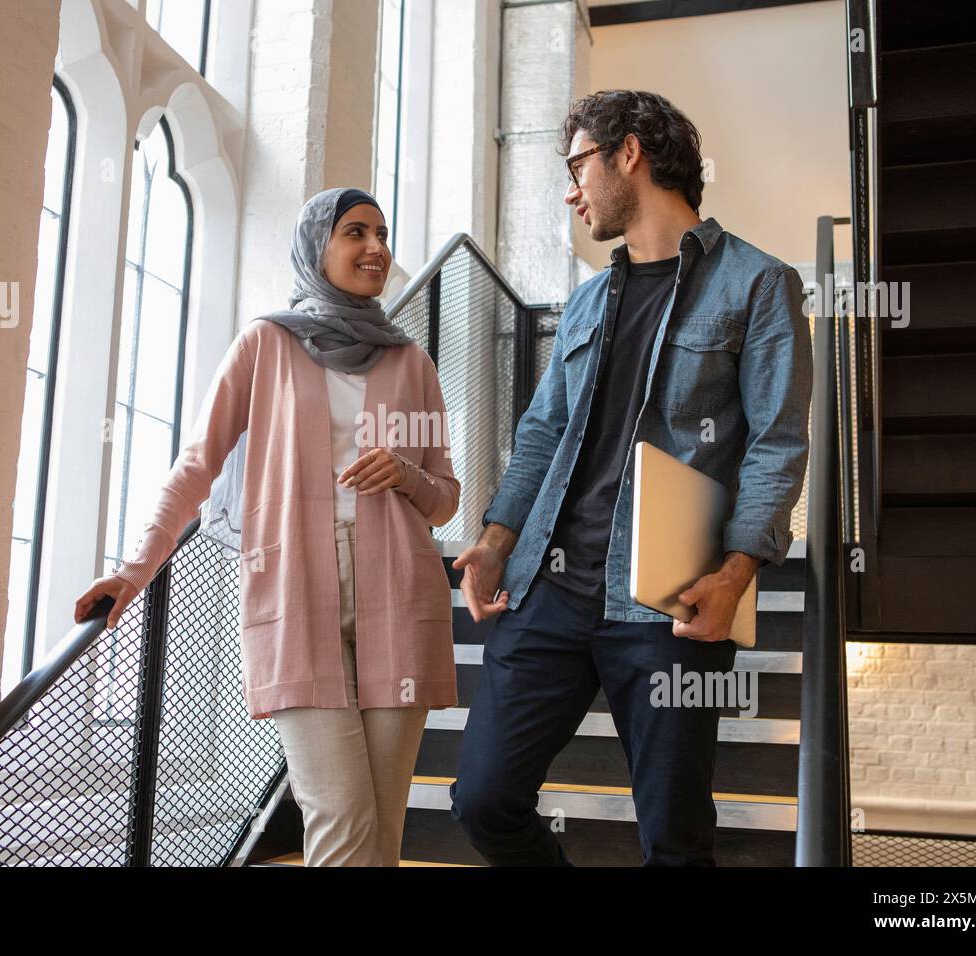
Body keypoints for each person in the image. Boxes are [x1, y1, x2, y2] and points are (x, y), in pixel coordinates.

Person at [449, 90, 812, 866]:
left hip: (666, 604)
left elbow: (778, 443)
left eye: (577, 165)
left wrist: (737, 573)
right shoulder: (584, 304)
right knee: (482, 798)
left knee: (675, 838)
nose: (571, 189)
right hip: (548, 589)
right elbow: (543, 433)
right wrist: (493, 539)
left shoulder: (759, 284)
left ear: (630, 153)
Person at [75, 187, 460, 867]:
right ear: (317, 247)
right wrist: (135, 569)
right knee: (341, 818)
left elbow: (445, 499)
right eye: (355, 232)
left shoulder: (412, 363)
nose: (376, 247)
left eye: (382, 233)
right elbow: (197, 466)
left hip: (401, 593)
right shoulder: (266, 344)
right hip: (293, 594)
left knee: (383, 835)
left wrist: (404, 473)